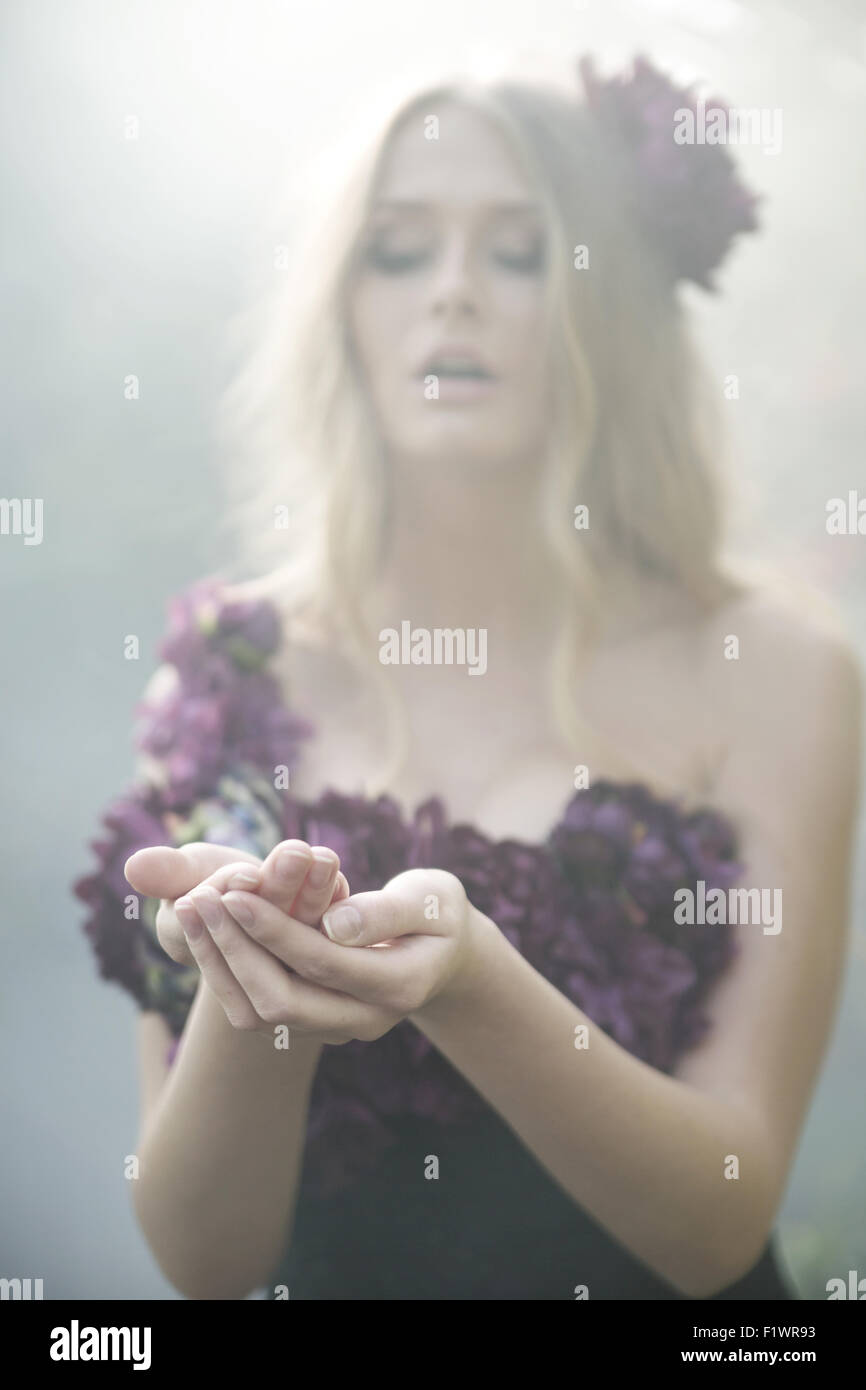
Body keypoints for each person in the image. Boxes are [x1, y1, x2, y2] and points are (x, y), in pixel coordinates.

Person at [74, 55, 862, 1301]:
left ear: (613, 300)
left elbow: (721, 1223)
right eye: (398, 251)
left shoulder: (781, 667)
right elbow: (203, 1264)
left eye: (517, 249)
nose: (451, 294)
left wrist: (476, 981)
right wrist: (254, 989)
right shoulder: (231, 664)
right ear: (341, 304)